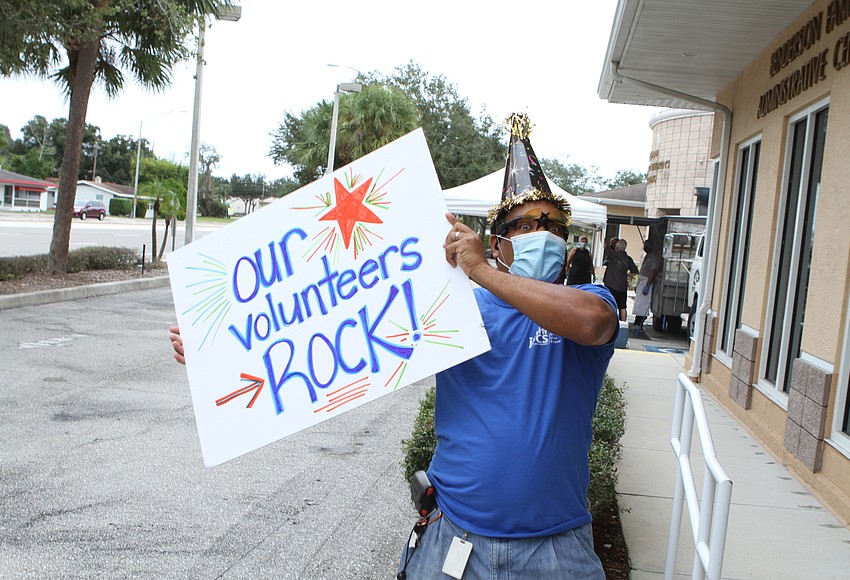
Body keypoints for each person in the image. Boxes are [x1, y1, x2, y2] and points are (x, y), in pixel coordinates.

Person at [395, 113, 618, 579]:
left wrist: (481, 273)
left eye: (555, 226)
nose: (545, 234)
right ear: (499, 243)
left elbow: (593, 324)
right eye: (526, 225)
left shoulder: (591, 302)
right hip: (453, 539)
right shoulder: (455, 310)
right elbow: (362, 347)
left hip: (555, 550)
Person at [602, 239, 638, 322]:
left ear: (617, 247)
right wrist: (626, 275)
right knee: (622, 307)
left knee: (610, 304)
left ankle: (610, 322)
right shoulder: (628, 259)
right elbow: (635, 271)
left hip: (611, 285)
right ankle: (623, 324)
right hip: (622, 286)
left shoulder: (613, 255)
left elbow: (605, 246)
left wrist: (601, 232)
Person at [632, 239, 663, 334]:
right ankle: (637, 321)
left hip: (646, 280)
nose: (644, 247)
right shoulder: (648, 255)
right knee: (638, 302)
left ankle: (640, 322)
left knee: (643, 303)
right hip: (642, 280)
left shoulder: (653, 257)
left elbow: (653, 270)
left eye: (646, 245)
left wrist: (648, 284)